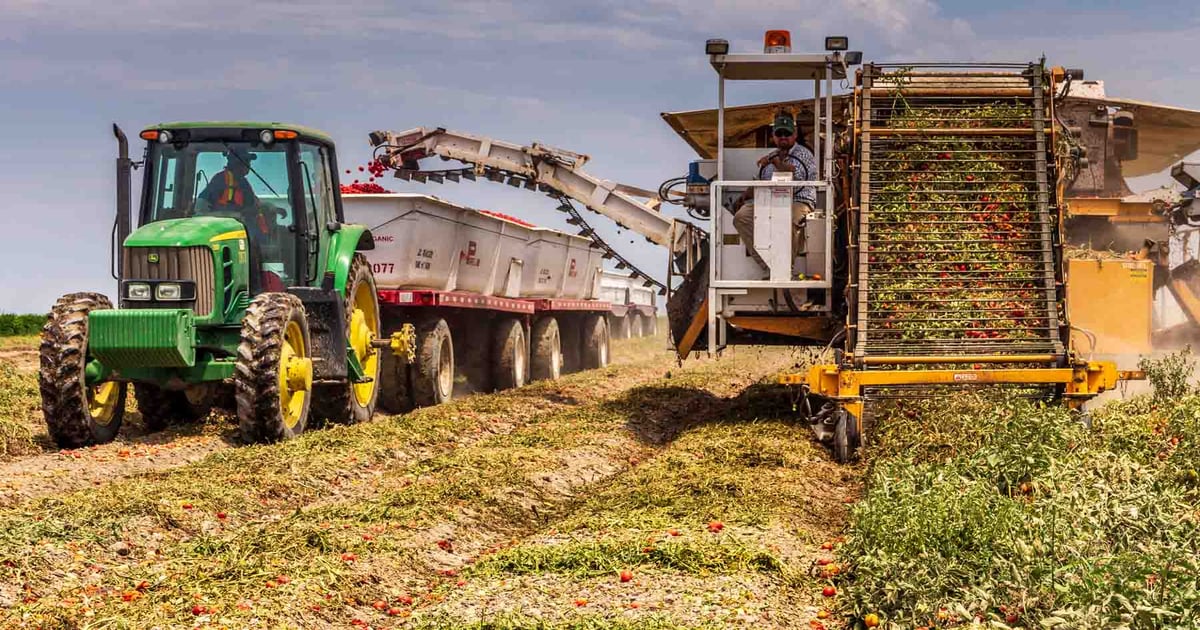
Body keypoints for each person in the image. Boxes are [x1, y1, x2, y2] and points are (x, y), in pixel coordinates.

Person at [731, 111, 818, 277]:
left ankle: (786, 269)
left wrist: (774, 161)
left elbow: (794, 175)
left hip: (799, 201)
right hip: (772, 202)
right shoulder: (771, 156)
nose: (783, 137)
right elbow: (763, 179)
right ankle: (769, 265)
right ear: (774, 136)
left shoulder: (803, 154)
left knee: (790, 218)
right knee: (741, 217)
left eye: (787, 133)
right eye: (779, 133)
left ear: (795, 134)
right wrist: (745, 195)